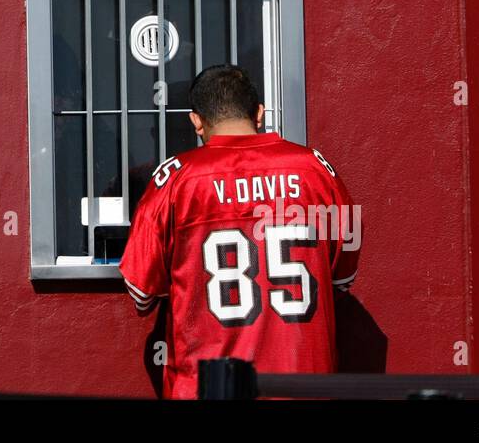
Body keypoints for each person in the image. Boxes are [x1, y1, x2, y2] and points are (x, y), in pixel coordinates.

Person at [119, 64, 360, 399]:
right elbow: (342, 276)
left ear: (196, 121)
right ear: (259, 114)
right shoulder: (317, 170)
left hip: (210, 386)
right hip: (304, 384)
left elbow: (142, 290)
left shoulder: (174, 180)